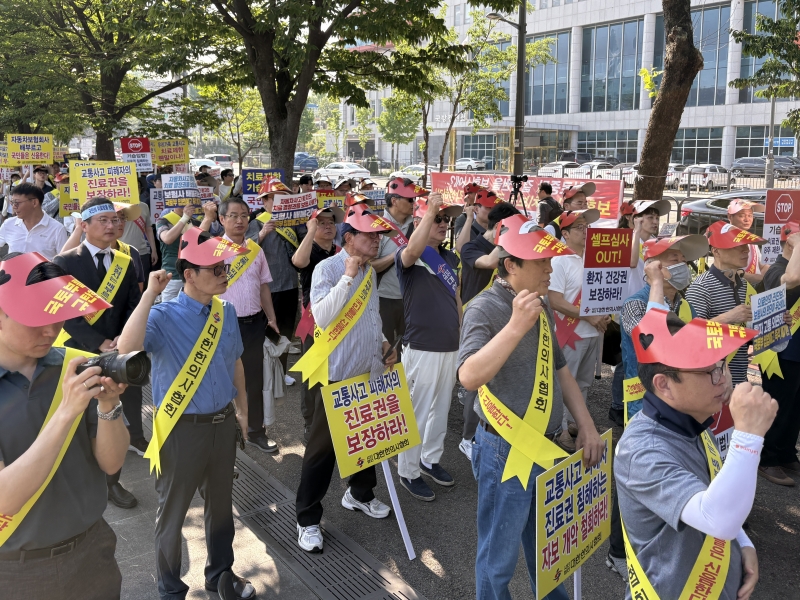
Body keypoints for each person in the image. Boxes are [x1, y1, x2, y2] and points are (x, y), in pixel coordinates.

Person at [458, 216, 604, 600]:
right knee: (498, 560)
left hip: (548, 445)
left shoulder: (540, 302)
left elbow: (560, 369)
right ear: (511, 265)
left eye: (550, 261)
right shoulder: (485, 308)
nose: (549, 269)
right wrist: (515, 326)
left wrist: (586, 425)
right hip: (505, 449)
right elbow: (468, 376)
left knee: (550, 552)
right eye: (541, 262)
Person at [117, 229, 257, 600]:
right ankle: (170, 589)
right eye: (215, 269)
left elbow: (235, 362)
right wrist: (149, 294)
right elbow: (126, 347)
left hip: (222, 424)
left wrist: (242, 410)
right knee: (173, 513)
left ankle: (221, 575)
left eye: (225, 267)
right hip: (181, 430)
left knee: (221, 507)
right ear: (189, 275)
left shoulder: (226, 312)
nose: (224, 274)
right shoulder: (163, 315)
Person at [616, 308, 774, 600]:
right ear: (663, 384)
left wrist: (744, 543)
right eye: (708, 371)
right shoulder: (641, 451)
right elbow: (717, 518)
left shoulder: (693, 421)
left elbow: (716, 491)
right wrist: (749, 437)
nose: (723, 379)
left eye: (721, 365)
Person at [0, 252, 129, 599]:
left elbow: (112, 463)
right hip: (15, 569)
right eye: (35, 318)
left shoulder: (74, 365)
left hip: (92, 550)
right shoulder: (73, 382)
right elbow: (4, 499)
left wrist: (108, 404)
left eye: (56, 316)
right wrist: (66, 412)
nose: (51, 330)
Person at [293, 206, 398, 553]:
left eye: (379, 235)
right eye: (370, 235)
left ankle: (360, 494)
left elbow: (371, 316)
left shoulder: (369, 271)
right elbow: (322, 316)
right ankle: (307, 518)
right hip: (336, 374)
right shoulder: (328, 268)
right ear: (349, 238)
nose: (377, 240)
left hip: (368, 368)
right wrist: (348, 277)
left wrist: (383, 342)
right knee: (322, 450)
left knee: (367, 437)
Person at [607, 233, 708, 580]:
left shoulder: (682, 303)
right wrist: (655, 286)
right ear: (654, 266)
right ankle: (618, 551)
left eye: (683, 259)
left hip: (678, 402)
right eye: (673, 259)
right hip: (643, 405)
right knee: (635, 475)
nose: (683, 265)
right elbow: (653, 342)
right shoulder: (635, 304)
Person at [53, 196, 144, 509]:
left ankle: (112, 481)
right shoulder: (65, 262)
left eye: (115, 220)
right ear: (84, 225)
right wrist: (99, 342)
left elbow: (133, 305)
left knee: (113, 415)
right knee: (83, 419)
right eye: (103, 220)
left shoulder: (125, 261)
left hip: (119, 352)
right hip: (80, 353)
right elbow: (64, 313)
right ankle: (79, 479)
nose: (112, 225)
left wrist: (122, 338)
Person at [396, 194, 463, 501]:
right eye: (437, 218)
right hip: (421, 346)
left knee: (441, 408)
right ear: (420, 221)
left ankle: (429, 459)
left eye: (446, 219)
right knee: (417, 411)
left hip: (450, 344)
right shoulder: (409, 254)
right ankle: (408, 470)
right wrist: (430, 209)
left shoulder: (449, 258)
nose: (443, 223)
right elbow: (412, 250)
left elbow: (456, 297)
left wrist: (461, 332)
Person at [456, 201, 520, 461]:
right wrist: (507, 237)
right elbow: (491, 262)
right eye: (511, 229)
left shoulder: (508, 247)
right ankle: (468, 438)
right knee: (477, 382)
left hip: (505, 317)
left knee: (500, 378)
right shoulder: (472, 247)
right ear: (499, 227)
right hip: (478, 320)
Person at [218, 197, 281, 453]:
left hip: (254, 324)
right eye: (233, 216)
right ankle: (225, 433)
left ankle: (255, 431)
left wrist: (271, 318)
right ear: (222, 219)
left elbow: (263, 286)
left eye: (244, 215)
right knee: (222, 379)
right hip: (223, 325)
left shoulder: (255, 249)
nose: (240, 221)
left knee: (254, 379)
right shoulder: (213, 251)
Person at [547, 208, 609, 453]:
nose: (585, 232)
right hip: (570, 335)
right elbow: (555, 300)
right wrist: (589, 316)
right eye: (579, 228)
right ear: (565, 233)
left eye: (587, 227)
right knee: (565, 382)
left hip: (593, 332)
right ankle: (561, 429)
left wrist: (603, 313)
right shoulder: (559, 260)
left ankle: (576, 422)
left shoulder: (597, 257)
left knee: (583, 383)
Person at [291, 206, 345, 443]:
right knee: (313, 373)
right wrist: (310, 232)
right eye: (321, 222)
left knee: (337, 370)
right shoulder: (309, 249)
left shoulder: (340, 251)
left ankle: (334, 418)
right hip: (314, 321)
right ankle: (310, 422)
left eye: (331, 222)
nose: (327, 226)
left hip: (340, 319)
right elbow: (298, 262)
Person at [686, 222, 763, 386]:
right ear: (716, 251)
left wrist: (776, 322)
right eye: (737, 246)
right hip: (711, 384)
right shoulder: (702, 287)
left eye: (746, 245)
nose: (746, 250)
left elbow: (749, 334)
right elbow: (690, 335)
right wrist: (728, 318)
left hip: (739, 378)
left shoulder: (744, 286)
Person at [757, 222, 800, 487]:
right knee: (777, 405)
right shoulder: (777, 270)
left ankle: (786, 453)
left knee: (795, 408)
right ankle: (767, 458)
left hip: (796, 351)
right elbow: (792, 279)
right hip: (779, 354)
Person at [247, 178, 300, 386]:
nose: (280, 202)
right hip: (269, 287)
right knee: (270, 331)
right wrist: (262, 233)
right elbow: (245, 250)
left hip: (291, 284)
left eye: (284, 198)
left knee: (286, 330)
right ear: (265, 200)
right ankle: (266, 372)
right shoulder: (256, 221)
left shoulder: (292, 221)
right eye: (276, 198)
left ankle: (282, 371)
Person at [372, 178, 424, 364]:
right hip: (383, 298)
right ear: (394, 200)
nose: (414, 203)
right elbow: (369, 266)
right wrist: (397, 255)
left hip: (411, 298)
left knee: (409, 350)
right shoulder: (377, 226)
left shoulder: (417, 225)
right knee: (383, 352)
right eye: (410, 199)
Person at [156, 201, 217, 302]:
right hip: (172, 275)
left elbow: (199, 242)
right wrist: (184, 218)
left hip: (193, 275)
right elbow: (167, 238)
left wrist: (209, 218)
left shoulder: (196, 223)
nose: (186, 205)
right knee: (169, 309)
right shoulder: (163, 221)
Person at [0, 183, 67, 260]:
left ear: (34, 202)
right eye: (12, 202)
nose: (14, 207)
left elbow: (63, 260)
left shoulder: (57, 229)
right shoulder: (8, 224)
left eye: (17, 203)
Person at [727, 199, 767, 283]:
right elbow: (729, 271)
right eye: (742, 216)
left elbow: (762, 265)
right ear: (730, 217)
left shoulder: (751, 238)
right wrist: (760, 279)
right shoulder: (725, 240)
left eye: (750, 215)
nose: (747, 219)